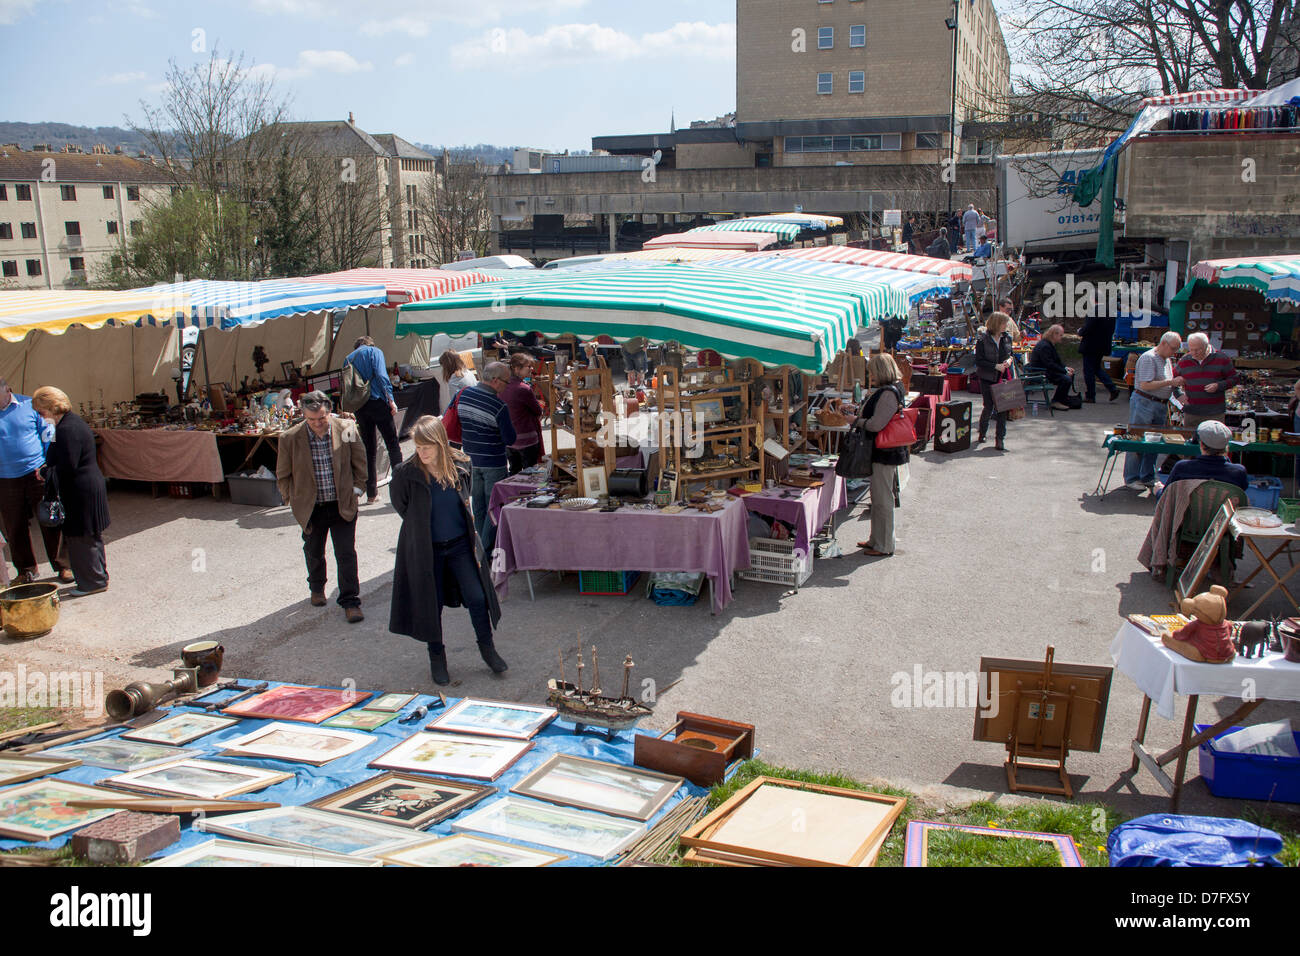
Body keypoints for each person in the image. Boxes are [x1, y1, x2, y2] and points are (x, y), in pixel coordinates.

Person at [389, 416, 506, 686]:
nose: (423, 452)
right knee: (431, 606)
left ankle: (488, 650)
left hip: (459, 546)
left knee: (477, 597)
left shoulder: (461, 465)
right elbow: (403, 507)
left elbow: (467, 501)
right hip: (426, 551)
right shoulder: (406, 473)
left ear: (440, 442)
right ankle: (437, 658)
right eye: (418, 447)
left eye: (427, 446)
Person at [275, 391, 368, 622]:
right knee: (313, 550)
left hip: (341, 503)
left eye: (322, 418)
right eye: (312, 419)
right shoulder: (290, 438)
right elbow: (283, 474)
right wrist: (291, 499)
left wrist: (358, 488)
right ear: (304, 416)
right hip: (311, 507)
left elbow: (360, 461)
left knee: (346, 553)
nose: (317, 423)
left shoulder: (345, 428)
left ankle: (350, 601)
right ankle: (317, 587)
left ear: (329, 411)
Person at [29, 387, 108, 596]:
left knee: (82, 538)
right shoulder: (68, 424)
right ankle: (96, 578)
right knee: (88, 538)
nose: (40, 416)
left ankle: (92, 582)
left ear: (50, 407)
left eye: (41, 411)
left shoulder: (67, 429)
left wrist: (45, 472)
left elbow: (67, 466)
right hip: (84, 487)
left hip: (81, 490)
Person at [0, 379, 71, 584]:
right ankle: (25, 570)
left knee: (50, 517)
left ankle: (63, 565)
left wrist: (48, 465)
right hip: (5, 478)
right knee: (14, 525)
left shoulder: (30, 405)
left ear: (8, 391)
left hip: (36, 472)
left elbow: (49, 434)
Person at [457, 361, 516, 553]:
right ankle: (481, 553)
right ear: (496, 380)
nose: (506, 386)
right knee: (493, 509)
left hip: (471, 460)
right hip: (493, 462)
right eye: (506, 382)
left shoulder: (464, 395)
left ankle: (481, 548)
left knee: (480, 507)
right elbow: (510, 439)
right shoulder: (498, 406)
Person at [855, 354, 910, 557]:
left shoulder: (889, 392)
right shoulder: (892, 389)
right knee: (878, 497)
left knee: (883, 499)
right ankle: (876, 539)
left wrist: (856, 421)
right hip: (884, 451)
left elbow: (876, 424)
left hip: (885, 452)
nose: (870, 375)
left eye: (872, 371)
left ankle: (884, 544)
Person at [344, 335, 402, 504]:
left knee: (369, 448)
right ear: (370, 343)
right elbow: (382, 375)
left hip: (360, 406)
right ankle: (401, 487)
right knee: (392, 443)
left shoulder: (348, 358)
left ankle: (371, 493)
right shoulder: (374, 352)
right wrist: (391, 399)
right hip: (377, 401)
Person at [1124, 331, 1184, 493]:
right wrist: (1171, 381)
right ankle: (1132, 477)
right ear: (1164, 343)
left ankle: (1148, 476)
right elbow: (1145, 385)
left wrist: (1179, 394)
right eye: (1173, 348)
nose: (1174, 352)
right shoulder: (1148, 358)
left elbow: (1169, 385)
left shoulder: (1167, 359)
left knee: (1154, 442)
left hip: (1159, 404)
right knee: (1137, 440)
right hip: (1145, 402)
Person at [1153, 421, 1247, 497]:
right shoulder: (1238, 472)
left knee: (1159, 489)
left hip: (1188, 518)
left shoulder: (1182, 467)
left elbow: (1166, 498)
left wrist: (1158, 491)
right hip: (1222, 518)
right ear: (1226, 446)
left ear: (1201, 444)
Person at [1177, 332, 1239, 429]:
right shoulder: (1185, 360)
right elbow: (1172, 379)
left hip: (1214, 413)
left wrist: (1219, 386)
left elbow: (1234, 378)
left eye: (1197, 350)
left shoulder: (1222, 359)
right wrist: (1178, 394)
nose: (1193, 353)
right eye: (1191, 349)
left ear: (1206, 346)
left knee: (1214, 441)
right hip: (1192, 412)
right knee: (1190, 440)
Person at [975, 312, 1015, 451]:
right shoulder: (982, 339)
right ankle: (982, 433)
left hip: (1002, 377)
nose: (1006, 325)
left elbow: (1011, 354)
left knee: (1002, 408)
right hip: (987, 377)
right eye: (1004, 323)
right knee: (988, 406)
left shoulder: (1007, 338)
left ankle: (1000, 439)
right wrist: (995, 366)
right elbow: (979, 361)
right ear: (997, 323)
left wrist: (1009, 361)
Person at [503, 352, 544, 475]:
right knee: (529, 474)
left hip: (510, 439)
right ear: (516, 369)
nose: (531, 369)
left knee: (514, 472)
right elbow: (538, 410)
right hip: (525, 439)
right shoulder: (523, 388)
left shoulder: (504, 386)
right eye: (528, 367)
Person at [1028, 324, 1078, 410]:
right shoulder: (1045, 346)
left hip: (1045, 370)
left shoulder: (1048, 344)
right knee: (1066, 379)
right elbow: (1049, 364)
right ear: (1054, 334)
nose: (1061, 337)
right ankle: (1056, 401)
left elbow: (1056, 361)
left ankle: (1061, 399)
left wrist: (1066, 368)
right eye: (1060, 335)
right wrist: (1064, 371)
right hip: (1040, 372)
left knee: (1068, 376)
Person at [1079, 313, 1121, 403]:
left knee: (1088, 371)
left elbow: (1087, 328)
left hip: (1090, 346)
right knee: (1096, 368)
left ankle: (1090, 395)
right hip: (1103, 345)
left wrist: (1080, 331)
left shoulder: (1093, 312)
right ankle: (1112, 388)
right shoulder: (1110, 314)